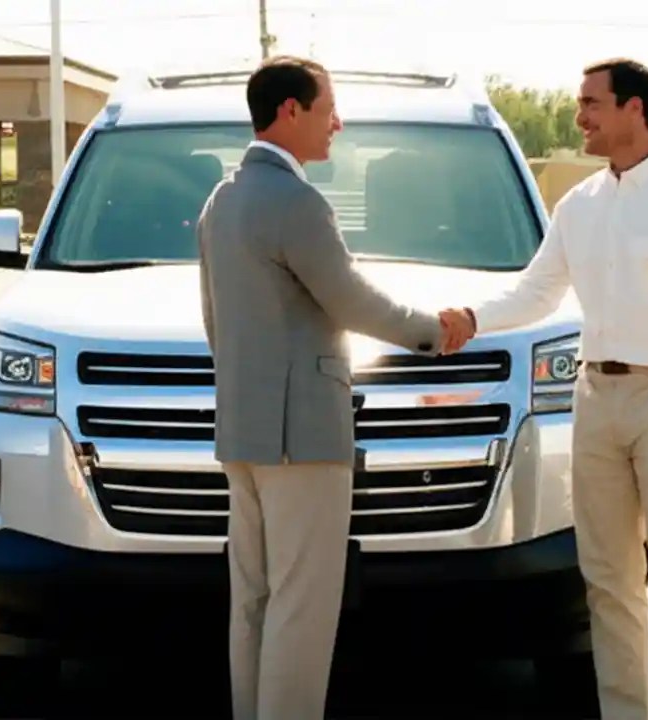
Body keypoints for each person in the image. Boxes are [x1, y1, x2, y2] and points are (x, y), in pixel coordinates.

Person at [441, 58, 648, 720]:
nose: (578, 116)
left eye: (591, 103)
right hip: (594, 401)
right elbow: (537, 290)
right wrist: (472, 318)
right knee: (608, 585)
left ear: (635, 110)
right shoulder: (579, 205)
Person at [196, 55, 470, 720]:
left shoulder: (221, 200)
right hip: (303, 439)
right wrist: (436, 329)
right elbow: (352, 302)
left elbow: (215, 324)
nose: (337, 125)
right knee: (302, 603)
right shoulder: (295, 201)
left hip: (243, 433)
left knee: (255, 601)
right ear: (289, 111)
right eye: (327, 110)